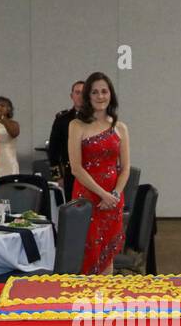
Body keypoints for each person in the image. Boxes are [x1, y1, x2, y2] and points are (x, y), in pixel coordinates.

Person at [68, 72, 130, 274]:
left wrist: (114, 195)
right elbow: (76, 168)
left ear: (111, 94)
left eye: (104, 91)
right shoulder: (76, 125)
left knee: (107, 256)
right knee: (86, 253)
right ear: (88, 95)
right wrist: (103, 195)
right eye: (95, 92)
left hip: (113, 199)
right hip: (87, 198)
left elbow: (125, 168)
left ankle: (106, 295)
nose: (100, 96)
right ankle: (85, 294)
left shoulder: (120, 127)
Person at [47, 80, 83, 198]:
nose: (80, 96)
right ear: (71, 96)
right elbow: (53, 152)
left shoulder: (96, 119)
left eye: (84, 93)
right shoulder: (62, 119)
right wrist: (58, 177)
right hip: (69, 174)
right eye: (77, 92)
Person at [0, 95, 20, 179]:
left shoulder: (13, 123)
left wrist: (2, 118)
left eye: (2, 106)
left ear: (9, 109)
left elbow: (14, 133)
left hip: (9, 161)